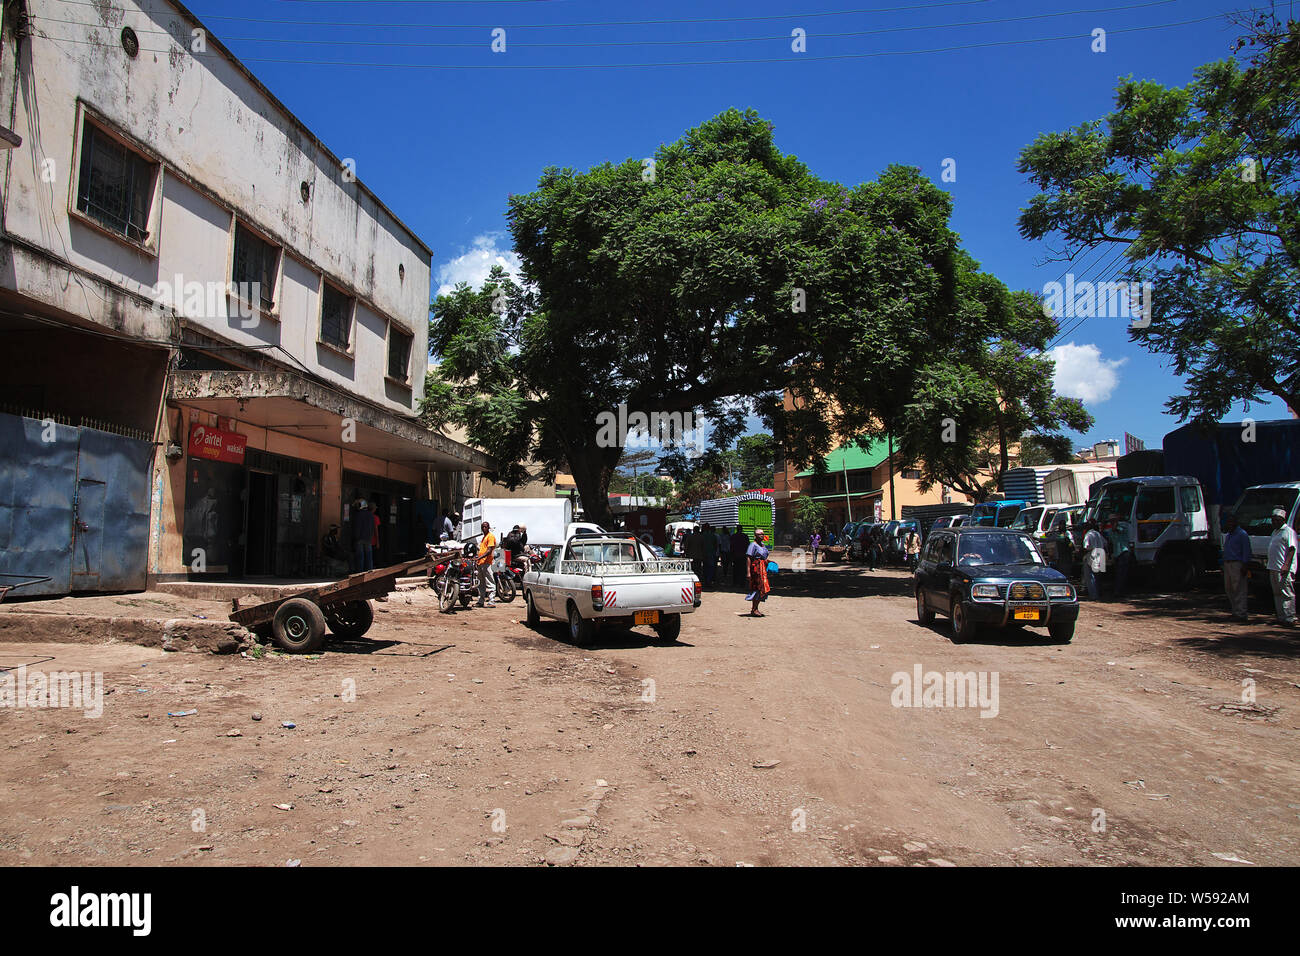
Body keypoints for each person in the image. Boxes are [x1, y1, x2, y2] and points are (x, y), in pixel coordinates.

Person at [1266, 507, 1296, 626]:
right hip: (1273, 567)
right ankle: (1281, 616)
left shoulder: (1288, 531)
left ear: (1282, 520)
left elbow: (1291, 549)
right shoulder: (1275, 532)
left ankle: (1290, 617)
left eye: (1277, 520)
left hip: (1283, 568)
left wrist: (1286, 565)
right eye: (1273, 520)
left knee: (1287, 593)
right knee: (1277, 593)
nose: (1275, 522)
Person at [1221, 512, 1251, 622]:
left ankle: (1241, 613)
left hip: (1237, 564)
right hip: (1227, 564)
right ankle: (1235, 611)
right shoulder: (1229, 535)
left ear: (1235, 522)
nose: (1229, 524)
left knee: (1239, 588)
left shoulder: (1242, 534)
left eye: (1231, 522)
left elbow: (1246, 551)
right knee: (1229, 589)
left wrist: (1244, 565)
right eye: (1228, 522)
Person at [1107, 512, 1134, 600]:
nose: (1111, 523)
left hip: (1124, 552)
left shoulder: (1123, 528)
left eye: (1113, 521)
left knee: (1123, 573)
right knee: (1118, 573)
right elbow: (1111, 543)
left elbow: (1117, 530)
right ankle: (1119, 591)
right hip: (1117, 554)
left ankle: (1120, 591)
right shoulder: (1110, 531)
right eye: (1111, 521)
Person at [746, 529, 772, 616]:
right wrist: (748, 572)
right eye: (760, 534)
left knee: (763, 588)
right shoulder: (752, 545)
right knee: (757, 588)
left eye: (762, 534)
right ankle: (754, 609)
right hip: (756, 570)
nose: (762, 536)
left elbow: (764, 556)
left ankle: (756, 608)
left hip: (763, 569)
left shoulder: (763, 545)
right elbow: (749, 558)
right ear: (755, 536)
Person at [1082, 520, 1106, 600]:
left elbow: (1086, 547)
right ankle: (1099, 593)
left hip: (1092, 555)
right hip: (1100, 554)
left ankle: (1093, 596)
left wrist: (1080, 552)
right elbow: (1105, 543)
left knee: (1090, 577)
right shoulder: (1098, 534)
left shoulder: (1088, 535)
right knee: (1098, 576)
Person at [476, 520, 497, 608]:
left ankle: (492, 600)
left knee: (490, 582)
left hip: (487, 562)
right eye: (483, 527)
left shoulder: (490, 537)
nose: (484, 528)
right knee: (481, 583)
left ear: (488, 528)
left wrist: (479, 558)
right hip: (481, 563)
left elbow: (489, 550)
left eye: (485, 527)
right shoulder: (484, 537)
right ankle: (481, 601)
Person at [351, 499, 374, 572]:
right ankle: (369, 572)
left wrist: (356, 537)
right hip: (368, 538)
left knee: (360, 556)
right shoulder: (370, 515)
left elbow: (357, 527)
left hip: (360, 538)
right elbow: (372, 527)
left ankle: (360, 572)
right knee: (369, 556)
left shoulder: (358, 515)